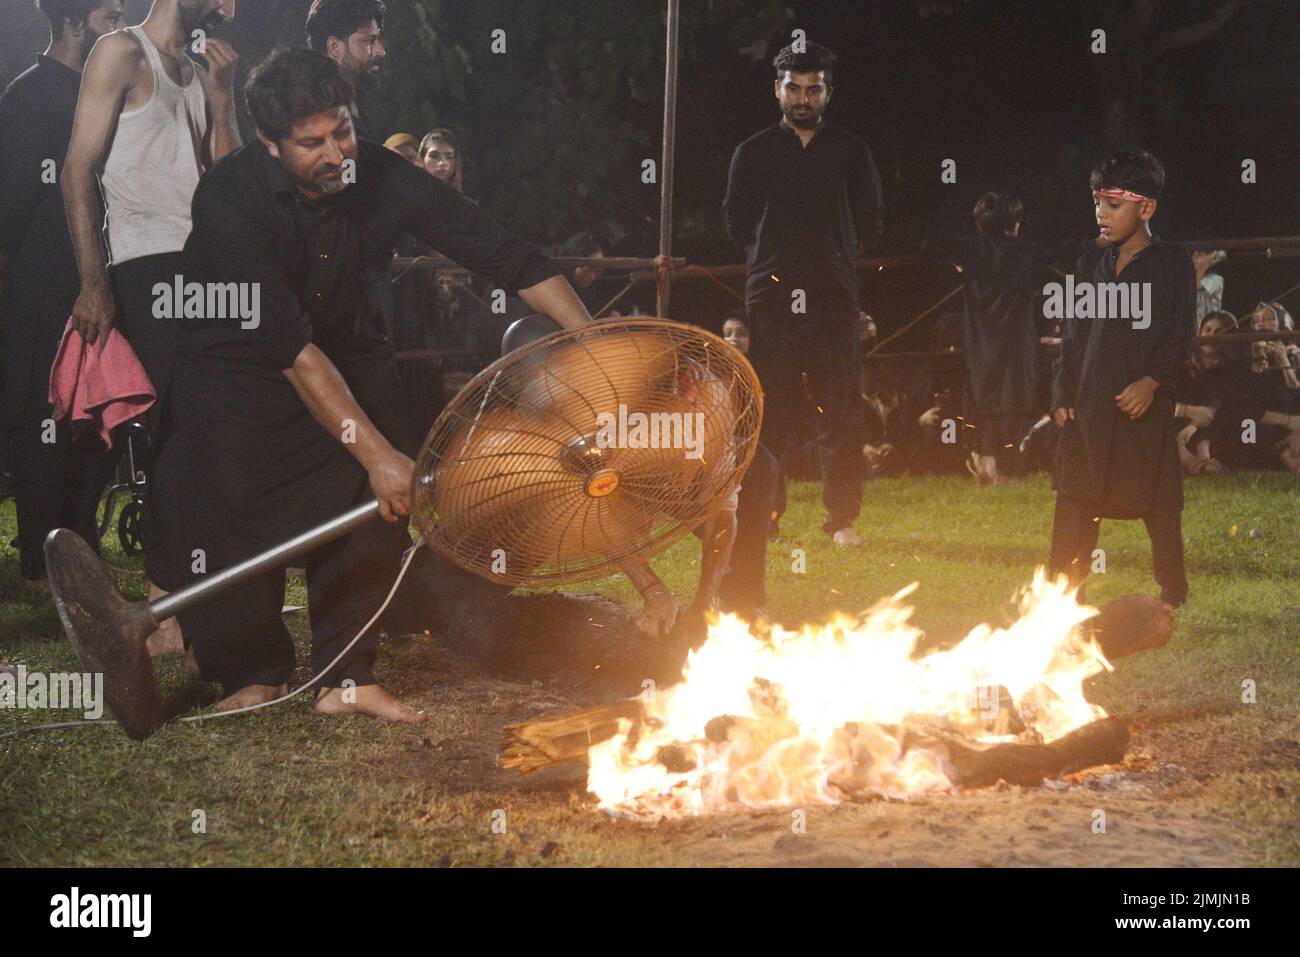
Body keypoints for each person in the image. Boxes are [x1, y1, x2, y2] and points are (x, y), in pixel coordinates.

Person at [157, 49, 592, 720]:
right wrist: (376, 454)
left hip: (346, 349)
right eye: (312, 143)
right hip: (239, 363)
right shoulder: (227, 200)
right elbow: (291, 348)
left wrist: (593, 341)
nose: (336, 154)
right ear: (269, 144)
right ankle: (252, 670)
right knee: (232, 500)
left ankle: (346, 677)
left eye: (343, 130)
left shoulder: (381, 175)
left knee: (377, 498)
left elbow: (503, 252)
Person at [61, 0, 239, 644]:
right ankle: (165, 607)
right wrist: (92, 281)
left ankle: (189, 593)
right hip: (146, 266)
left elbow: (227, 182)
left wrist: (223, 100)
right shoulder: (121, 51)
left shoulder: (195, 70)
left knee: (206, 429)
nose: (233, 6)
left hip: (207, 266)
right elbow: (76, 170)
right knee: (170, 434)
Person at [722, 39, 884, 547]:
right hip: (771, 301)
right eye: (793, 88)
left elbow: (872, 221)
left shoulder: (851, 151)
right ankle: (765, 516)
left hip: (834, 299)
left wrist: (835, 258)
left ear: (827, 93)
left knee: (841, 410)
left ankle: (842, 519)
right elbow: (735, 219)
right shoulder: (753, 152)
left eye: (813, 90)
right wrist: (771, 259)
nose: (802, 98)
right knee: (771, 412)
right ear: (778, 89)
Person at [0, 0, 126, 586]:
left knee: (95, 412)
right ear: (76, 22)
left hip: (100, 277)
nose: (121, 27)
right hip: (42, 286)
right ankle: (41, 560)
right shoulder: (29, 96)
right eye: (110, 16)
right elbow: (8, 212)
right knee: (44, 419)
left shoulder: (106, 90)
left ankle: (79, 550)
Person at [1049, 148, 1195, 610]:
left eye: (1114, 205)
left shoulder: (1172, 264)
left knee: (1158, 503)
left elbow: (1179, 335)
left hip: (1141, 409)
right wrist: (1062, 393)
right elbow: (1072, 338)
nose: (1101, 214)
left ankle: (1172, 591)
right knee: (1075, 499)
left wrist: (1153, 381)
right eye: (1097, 203)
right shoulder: (1088, 266)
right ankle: (1061, 597)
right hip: (1089, 405)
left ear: (1145, 208)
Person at [923, 193, 1047, 485]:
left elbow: (930, 244)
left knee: (982, 398)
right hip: (1016, 342)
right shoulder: (1024, 249)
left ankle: (985, 456)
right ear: (1013, 224)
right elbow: (1063, 252)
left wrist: (959, 261)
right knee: (1015, 401)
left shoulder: (973, 249)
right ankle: (1009, 466)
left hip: (981, 339)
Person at [306, 0, 385, 141]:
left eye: (377, 40)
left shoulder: (356, 104)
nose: (381, 51)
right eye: (368, 41)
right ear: (334, 46)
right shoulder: (311, 110)